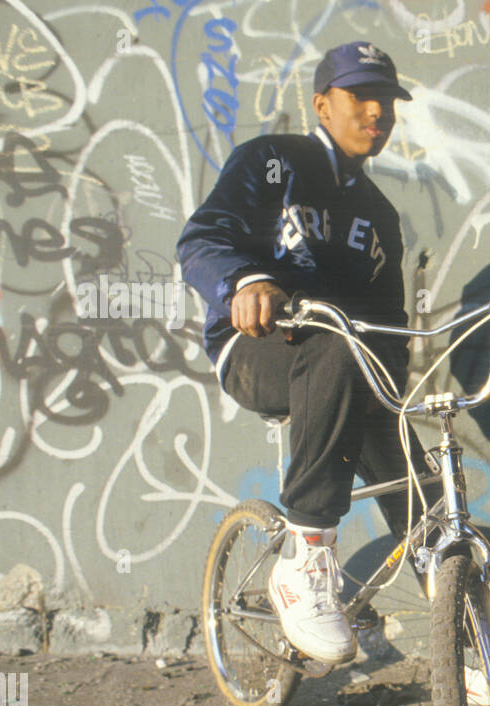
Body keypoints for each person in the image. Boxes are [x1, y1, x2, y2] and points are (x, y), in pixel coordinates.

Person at [177, 41, 421, 666]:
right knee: (337, 351)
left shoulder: (379, 213)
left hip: (342, 369)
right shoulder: (272, 162)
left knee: (425, 490)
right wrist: (245, 281)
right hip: (256, 347)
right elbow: (204, 236)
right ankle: (307, 556)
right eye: (361, 97)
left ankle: (473, 650)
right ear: (322, 104)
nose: (378, 112)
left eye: (387, 101)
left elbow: (389, 323)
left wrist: (392, 394)